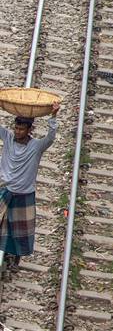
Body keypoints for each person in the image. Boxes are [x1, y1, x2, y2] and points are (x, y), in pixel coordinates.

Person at [0, 102, 60, 271]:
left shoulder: (36, 147)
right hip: (4, 189)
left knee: (19, 231)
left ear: (29, 130)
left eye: (21, 129)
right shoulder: (7, 138)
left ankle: (14, 259)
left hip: (23, 194)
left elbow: (50, 138)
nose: (17, 132)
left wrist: (53, 116)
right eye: (16, 128)